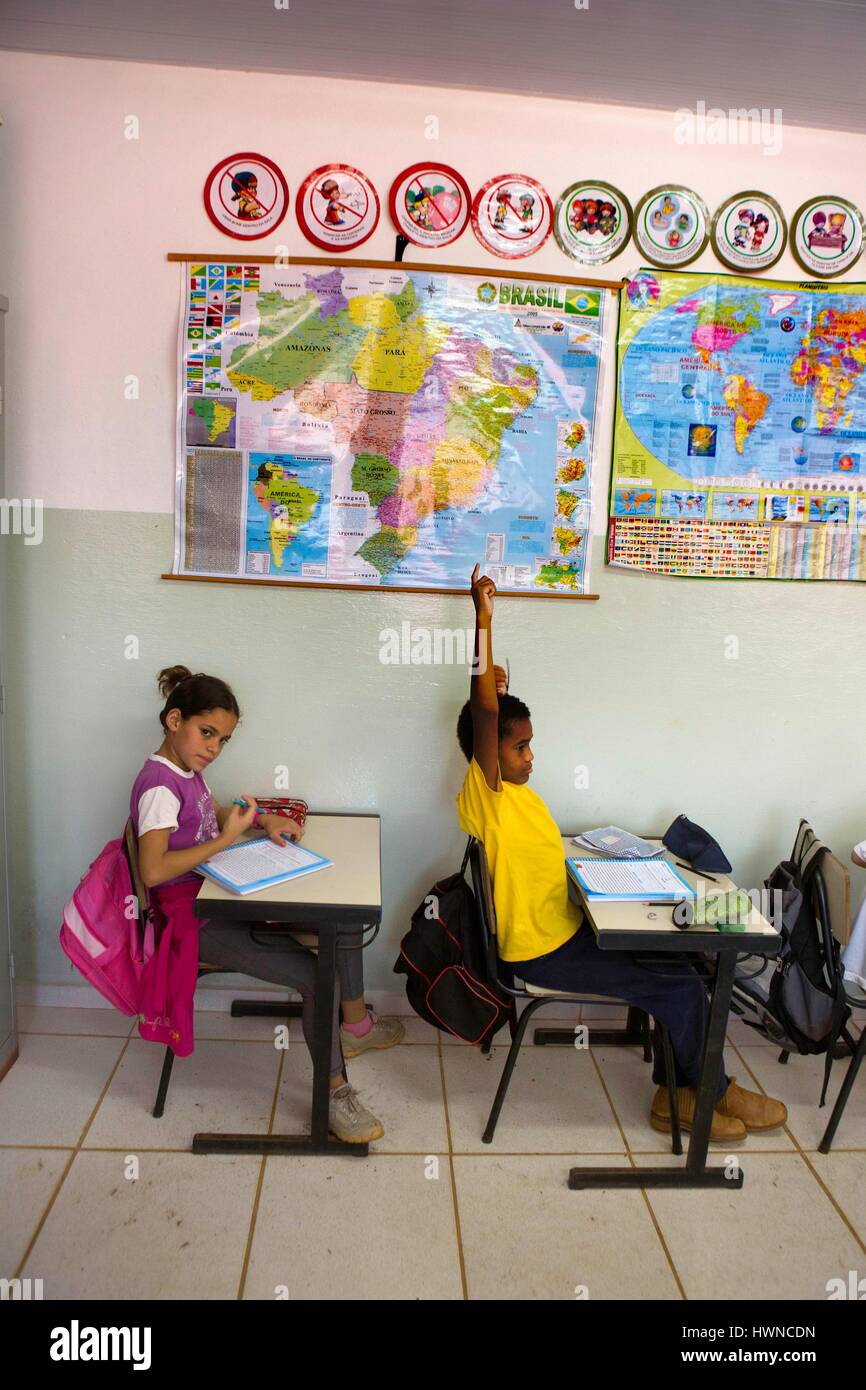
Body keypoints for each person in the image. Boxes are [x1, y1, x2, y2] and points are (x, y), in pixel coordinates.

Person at [455, 567, 787, 1142]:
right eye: (520, 746)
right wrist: (483, 622)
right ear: (489, 754)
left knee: (680, 966)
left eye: (531, 742)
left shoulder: (518, 797)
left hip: (562, 928)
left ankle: (682, 1087)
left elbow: (488, 716)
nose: (531, 755)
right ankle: (703, 1095)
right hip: (540, 954)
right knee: (681, 988)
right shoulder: (487, 795)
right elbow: (483, 717)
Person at [131, 665, 403, 1143]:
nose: (213, 748)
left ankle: (355, 1026)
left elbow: (203, 816)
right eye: (206, 733)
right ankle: (336, 1094)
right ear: (174, 720)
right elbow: (153, 871)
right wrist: (227, 840)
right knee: (312, 974)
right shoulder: (158, 785)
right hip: (191, 920)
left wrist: (264, 822)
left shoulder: (185, 770)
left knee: (343, 922)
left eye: (223, 740)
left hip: (219, 891)